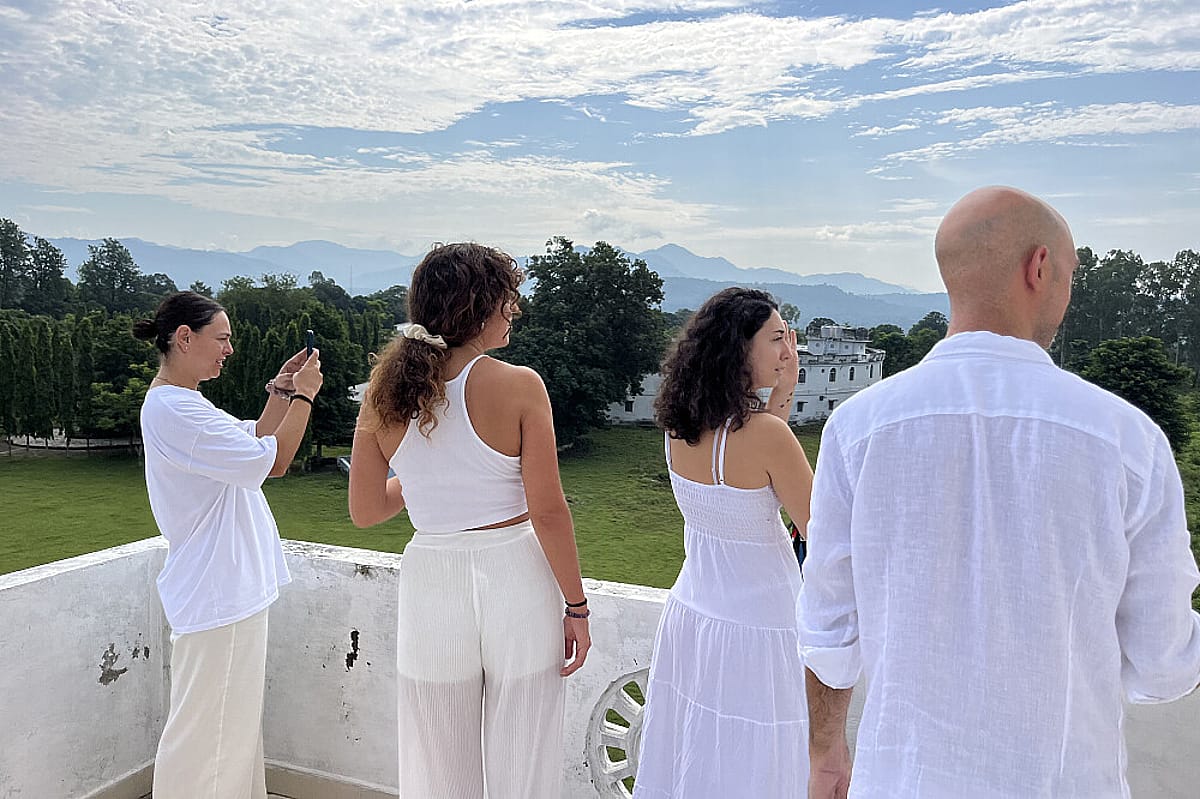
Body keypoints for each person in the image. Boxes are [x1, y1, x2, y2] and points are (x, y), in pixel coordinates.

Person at [797, 186, 1200, 798]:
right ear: (1039, 267)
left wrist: (825, 752)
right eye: (1071, 274)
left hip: (902, 782)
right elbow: (1162, 666)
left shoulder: (857, 429)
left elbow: (828, 631)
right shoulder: (1125, 440)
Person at [348, 242, 591, 799]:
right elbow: (548, 511)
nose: (515, 309)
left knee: (437, 754)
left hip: (431, 578)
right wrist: (576, 606)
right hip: (515, 573)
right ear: (478, 305)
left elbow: (366, 510)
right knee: (524, 748)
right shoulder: (520, 385)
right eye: (508, 297)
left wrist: (429, 478)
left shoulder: (384, 395)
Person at [134, 291, 323, 798]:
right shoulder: (177, 410)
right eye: (221, 339)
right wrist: (305, 396)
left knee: (227, 733)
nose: (229, 350)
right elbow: (273, 461)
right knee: (209, 738)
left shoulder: (183, 405)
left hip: (226, 591)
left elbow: (253, 439)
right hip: (218, 591)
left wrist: (280, 391)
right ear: (184, 337)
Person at [633, 287, 813, 798]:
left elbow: (747, 470)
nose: (787, 350)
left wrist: (780, 395)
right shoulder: (767, 437)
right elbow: (822, 532)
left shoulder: (679, 424)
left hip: (695, 614)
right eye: (776, 338)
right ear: (739, 347)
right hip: (762, 624)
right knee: (758, 764)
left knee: (700, 754)